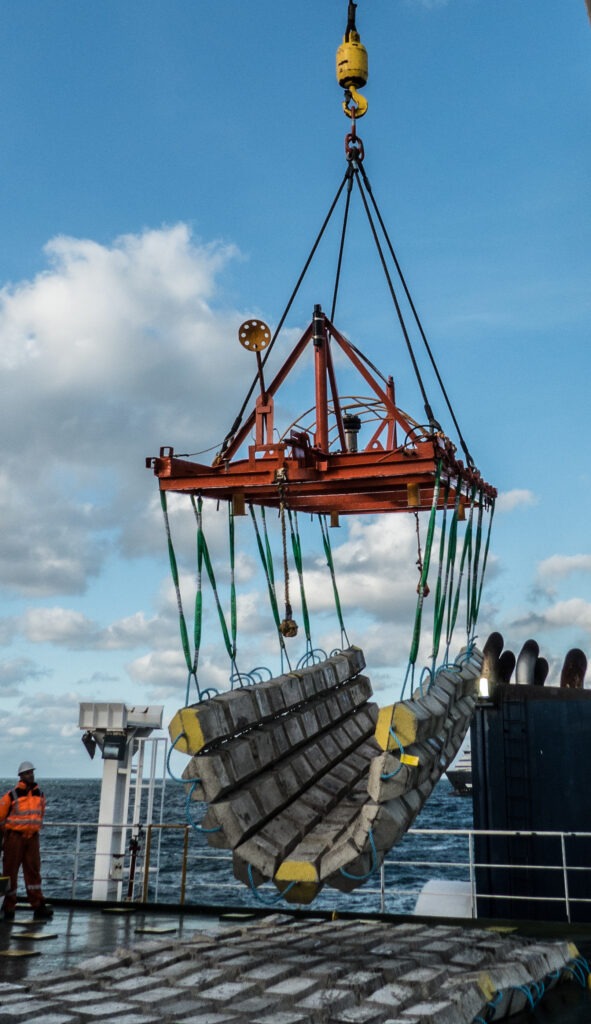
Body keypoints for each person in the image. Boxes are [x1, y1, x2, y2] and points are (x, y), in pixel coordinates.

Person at [0, 762, 53, 921]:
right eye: (27, 773)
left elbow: (40, 814)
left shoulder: (40, 795)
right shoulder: (11, 795)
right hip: (14, 838)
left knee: (33, 872)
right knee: (10, 872)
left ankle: (38, 905)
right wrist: (4, 836)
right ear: (21, 776)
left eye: (31, 772)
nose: (31, 775)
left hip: (32, 838)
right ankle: (8, 906)